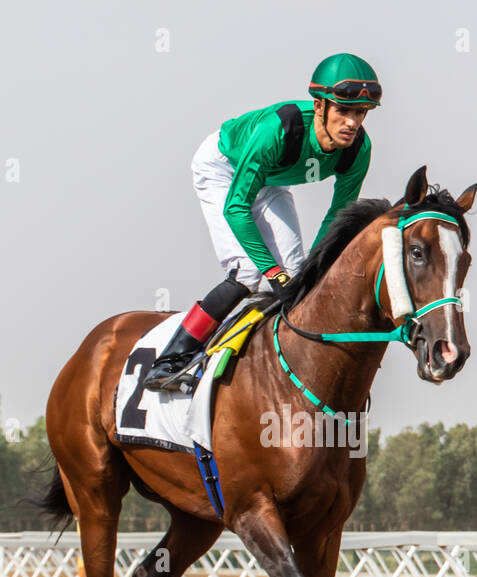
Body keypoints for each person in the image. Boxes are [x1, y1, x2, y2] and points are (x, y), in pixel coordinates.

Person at [142, 53, 379, 391]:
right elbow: (236, 208)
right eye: (343, 111)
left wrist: (310, 270)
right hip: (224, 167)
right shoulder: (276, 131)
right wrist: (272, 271)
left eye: (360, 113)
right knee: (248, 271)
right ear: (320, 106)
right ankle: (170, 360)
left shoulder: (359, 149)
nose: (352, 123)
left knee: (298, 272)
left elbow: (336, 218)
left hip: (270, 179)